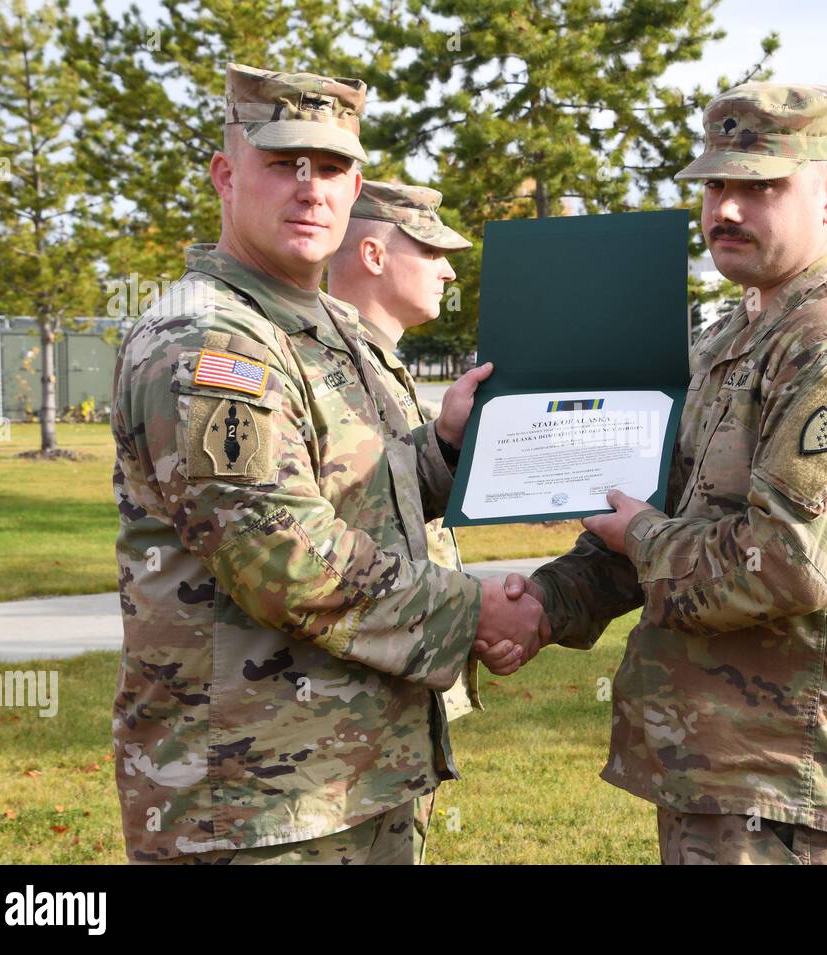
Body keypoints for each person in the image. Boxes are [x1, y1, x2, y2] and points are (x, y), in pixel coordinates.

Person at [110, 63, 546, 865]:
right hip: (251, 805)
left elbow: (356, 490)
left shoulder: (325, 325)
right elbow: (280, 552)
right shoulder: (207, 340)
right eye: (284, 163)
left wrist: (444, 449)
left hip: (357, 776)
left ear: (355, 189)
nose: (311, 189)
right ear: (226, 174)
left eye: (334, 166)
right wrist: (468, 610)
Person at [503, 83, 827, 864]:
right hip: (719, 779)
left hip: (805, 793)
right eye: (715, 185)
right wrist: (545, 602)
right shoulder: (728, 337)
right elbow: (660, 512)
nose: (727, 209)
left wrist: (640, 533)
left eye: (760, 186)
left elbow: (783, 566)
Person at [326, 179, 487, 863]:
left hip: (391, 710)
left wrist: (446, 440)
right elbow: (323, 538)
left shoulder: (375, 367)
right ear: (371, 253)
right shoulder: (324, 369)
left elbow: (385, 501)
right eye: (430, 249)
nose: (449, 268)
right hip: (333, 735)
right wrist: (478, 613)